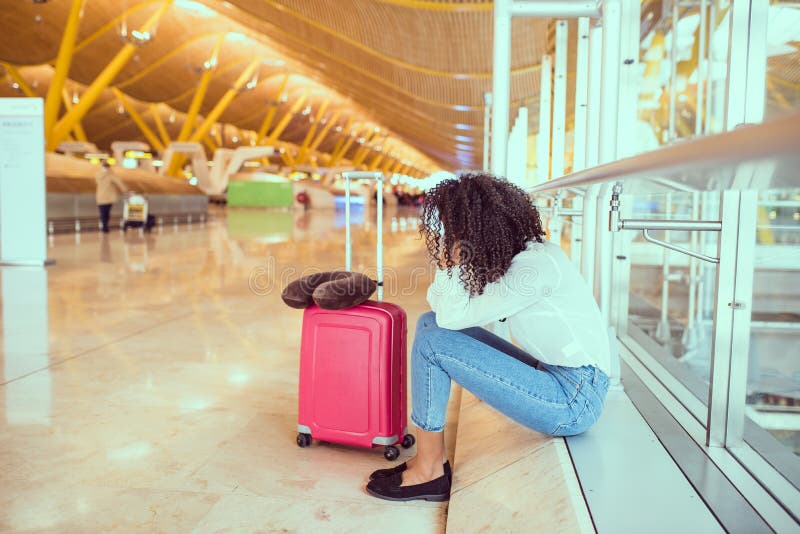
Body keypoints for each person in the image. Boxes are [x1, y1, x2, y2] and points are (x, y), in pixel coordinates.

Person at [365, 172, 611, 502]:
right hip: (555, 376)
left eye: (458, 230)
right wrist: (453, 266)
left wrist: (450, 263)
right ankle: (429, 461)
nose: (454, 237)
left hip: (574, 399)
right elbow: (440, 312)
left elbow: (453, 314)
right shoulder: (519, 257)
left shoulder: (533, 269)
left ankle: (429, 471)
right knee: (429, 325)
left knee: (432, 345)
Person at [95, 160, 127, 233]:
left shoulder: (98, 174)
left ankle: (104, 225)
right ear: (109, 167)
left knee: (102, 212)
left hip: (100, 196)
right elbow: (119, 182)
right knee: (107, 212)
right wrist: (125, 190)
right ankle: (105, 226)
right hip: (108, 197)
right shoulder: (110, 174)